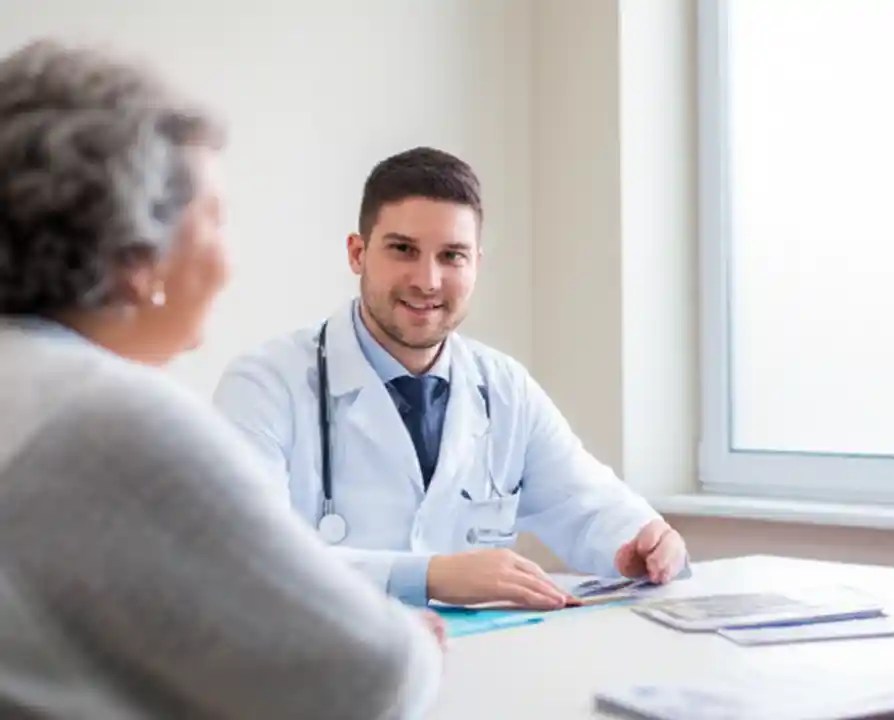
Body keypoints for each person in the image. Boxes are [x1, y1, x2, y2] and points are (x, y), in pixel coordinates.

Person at [0, 40, 443, 718]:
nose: (231, 261)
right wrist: (407, 638)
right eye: (214, 219)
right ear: (135, 255)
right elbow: (368, 679)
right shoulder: (103, 421)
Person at [213, 146, 688, 610]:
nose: (428, 281)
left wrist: (644, 539)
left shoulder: (504, 389)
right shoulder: (265, 385)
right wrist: (430, 576)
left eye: (452, 256)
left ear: (476, 263)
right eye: (403, 249)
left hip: (476, 665)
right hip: (319, 673)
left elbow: (588, 504)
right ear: (357, 253)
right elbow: (245, 557)